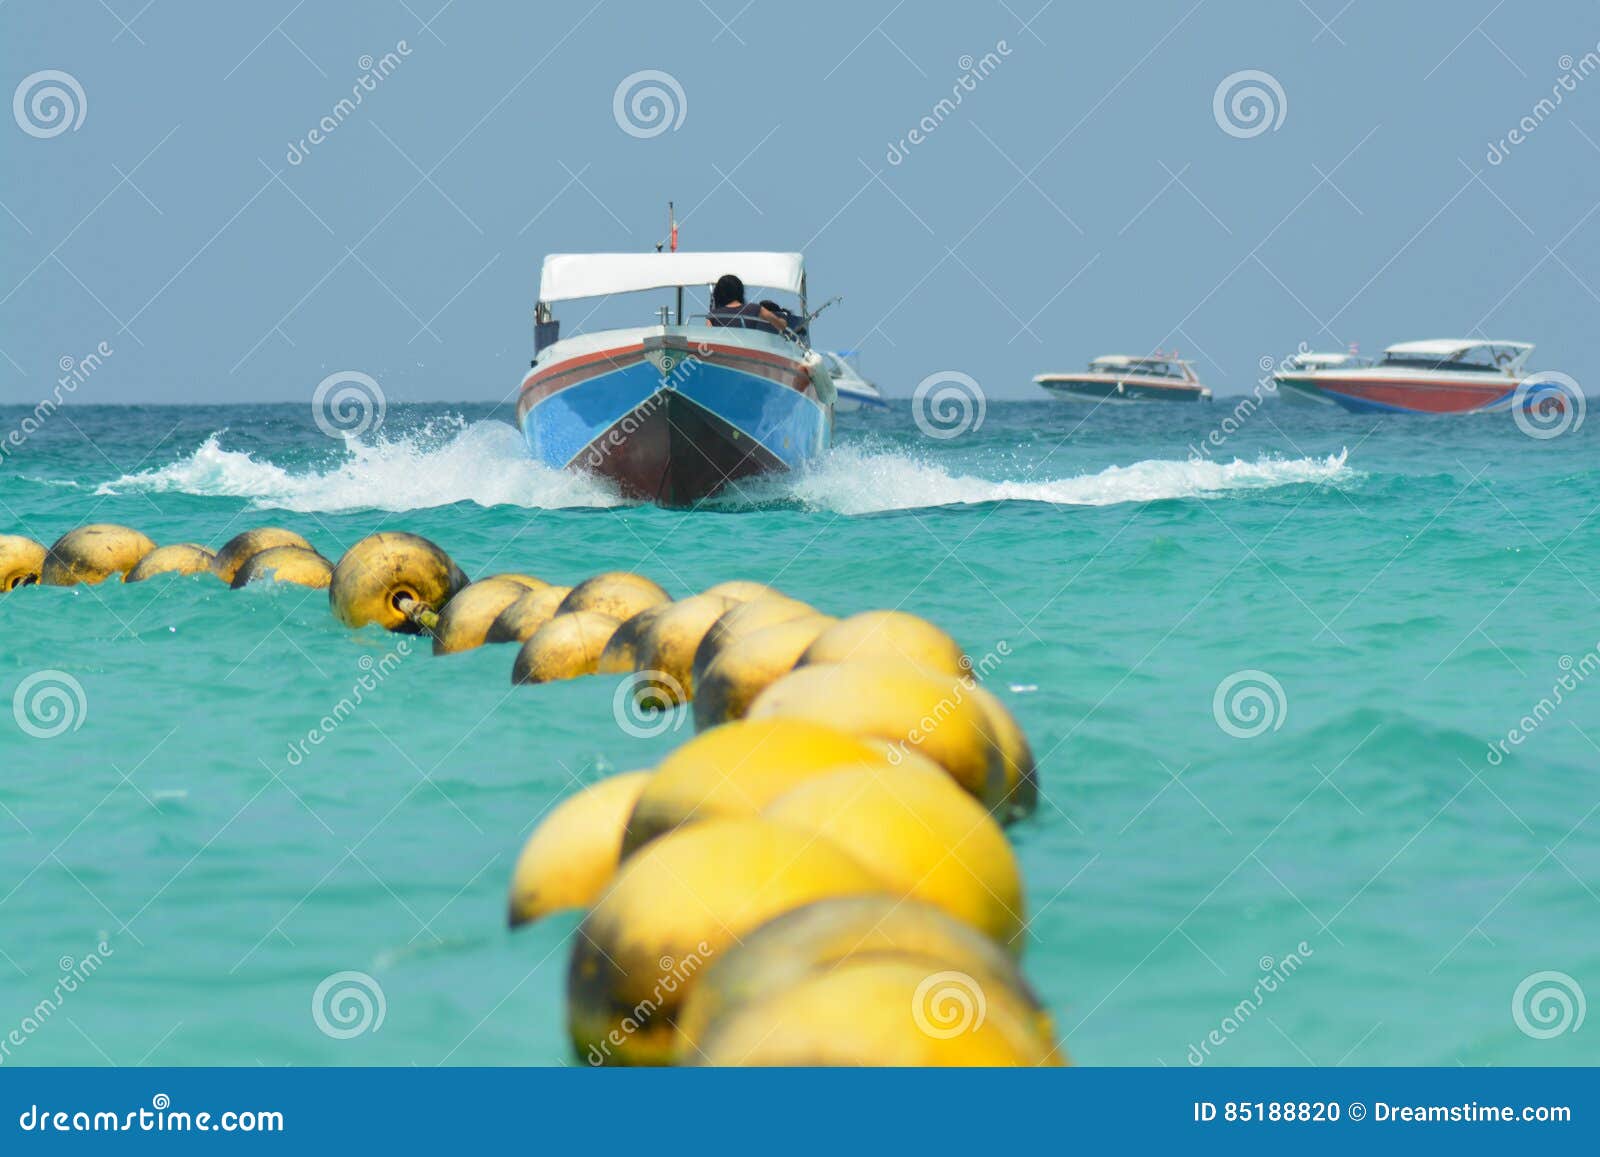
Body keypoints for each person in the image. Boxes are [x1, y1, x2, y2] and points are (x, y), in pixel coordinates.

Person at [707, 274, 787, 332]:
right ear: (740, 291)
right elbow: (781, 326)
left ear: (718, 294)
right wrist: (783, 319)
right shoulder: (755, 309)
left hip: (723, 351)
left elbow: (709, 336)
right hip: (748, 349)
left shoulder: (713, 314)